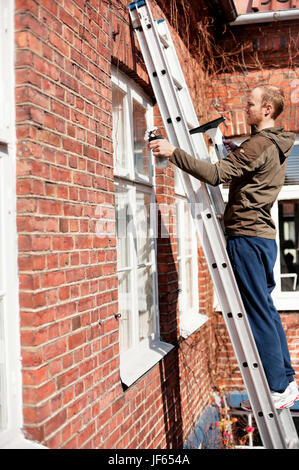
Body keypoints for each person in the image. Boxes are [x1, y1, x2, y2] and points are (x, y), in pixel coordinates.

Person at [149, 85, 299, 410]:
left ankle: (276, 387)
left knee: (258, 313)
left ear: (268, 109)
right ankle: (285, 381)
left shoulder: (259, 143)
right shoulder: (277, 145)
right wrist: (237, 153)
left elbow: (217, 176)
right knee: (267, 310)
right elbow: (249, 175)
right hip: (263, 238)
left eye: (251, 104)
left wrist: (172, 152)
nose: (246, 109)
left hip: (246, 237)